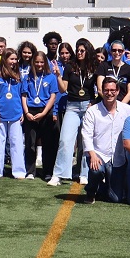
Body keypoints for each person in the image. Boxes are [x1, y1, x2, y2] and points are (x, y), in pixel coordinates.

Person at [54, 39, 97, 185]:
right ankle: (59, 174)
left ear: (88, 51)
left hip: (88, 106)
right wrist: (58, 76)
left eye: (82, 51)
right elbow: (63, 89)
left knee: (86, 141)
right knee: (65, 140)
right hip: (72, 106)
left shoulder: (94, 67)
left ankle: (84, 174)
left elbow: (99, 89)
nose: (79, 53)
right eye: (77, 50)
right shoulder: (70, 66)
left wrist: (94, 103)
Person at [22, 52, 60, 182]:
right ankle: (30, 171)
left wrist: (44, 113)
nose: (39, 64)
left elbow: (53, 96)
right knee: (30, 143)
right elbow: (24, 95)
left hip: (45, 112)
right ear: (33, 63)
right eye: (36, 62)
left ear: (45, 63)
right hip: (31, 112)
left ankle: (47, 171)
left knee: (47, 144)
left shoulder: (51, 77)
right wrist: (26, 112)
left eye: (41, 62)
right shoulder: (27, 77)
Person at [0, 52, 25, 179]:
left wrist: (23, 112)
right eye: (11, 59)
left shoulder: (18, 75)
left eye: (15, 59)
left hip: (16, 113)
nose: (14, 61)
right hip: (0, 114)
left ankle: (19, 171)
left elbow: (22, 95)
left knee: (17, 143)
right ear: (5, 59)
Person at [97, 40, 130, 106]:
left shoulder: (129, 69)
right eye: (114, 50)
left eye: (120, 50)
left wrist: (120, 106)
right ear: (110, 51)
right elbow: (100, 89)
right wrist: (110, 103)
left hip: (123, 104)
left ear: (123, 52)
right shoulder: (103, 66)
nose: (117, 52)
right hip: (105, 104)